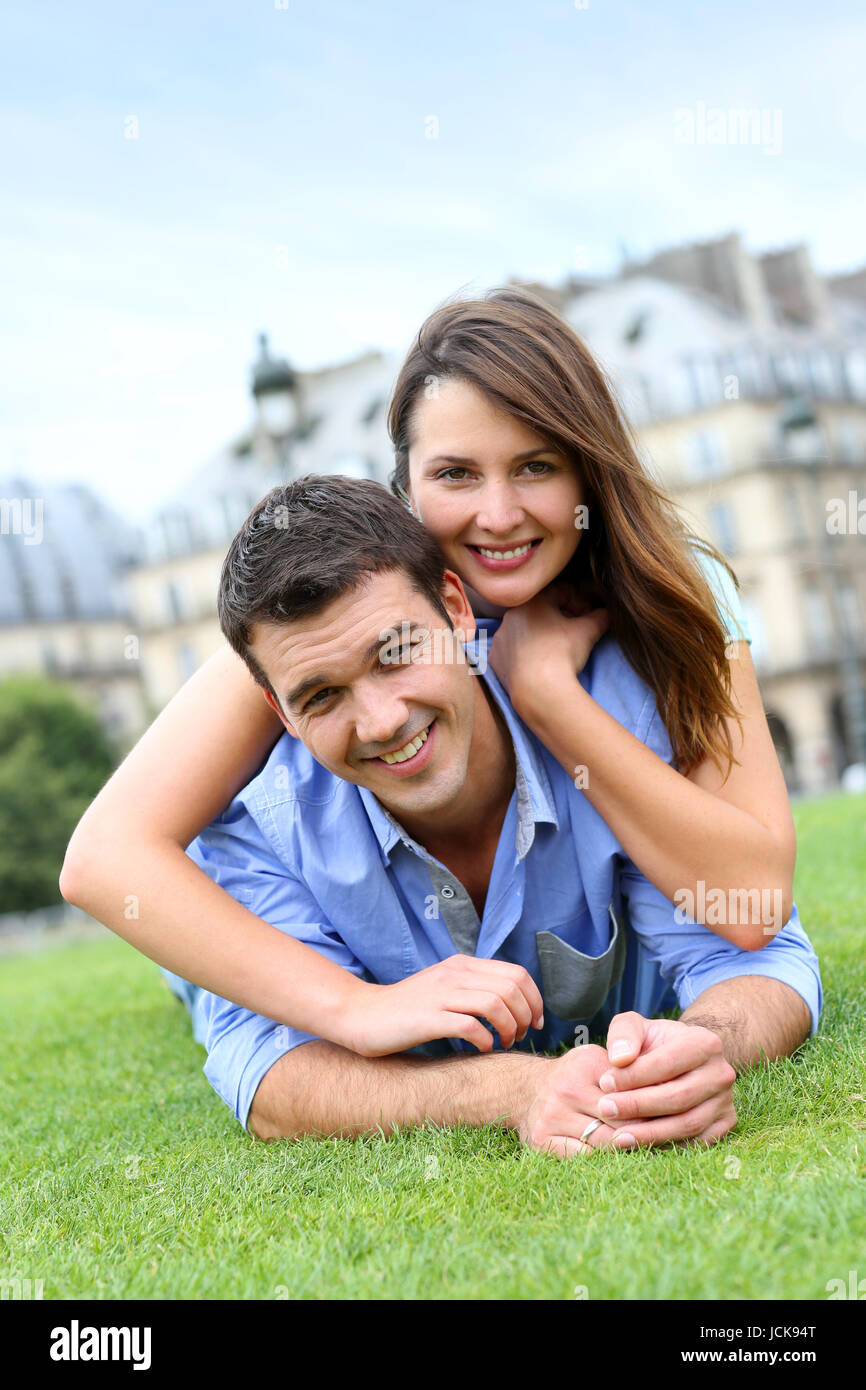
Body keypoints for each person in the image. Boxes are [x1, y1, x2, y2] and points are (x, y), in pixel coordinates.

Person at [60, 288, 796, 1056]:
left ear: (587, 473)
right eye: (455, 475)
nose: (500, 514)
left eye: (535, 466)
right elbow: (106, 858)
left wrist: (545, 694)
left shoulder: (672, 599)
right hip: (283, 901)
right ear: (406, 487)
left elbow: (754, 903)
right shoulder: (343, 622)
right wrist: (353, 1009)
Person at [156, 475, 819, 1151]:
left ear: (455, 609)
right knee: (193, 979)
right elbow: (270, 1076)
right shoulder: (257, 822)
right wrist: (518, 1090)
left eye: (396, 652)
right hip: (227, 919)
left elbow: (761, 957)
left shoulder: (614, 708)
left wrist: (704, 1047)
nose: (382, 722)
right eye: (322, 696)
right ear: (280, 715)